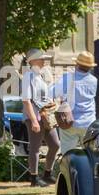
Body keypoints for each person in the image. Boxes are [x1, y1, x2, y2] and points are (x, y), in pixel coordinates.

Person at [21, 49, 58, 187]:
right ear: (33, 60)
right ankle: (34, 178)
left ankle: (47, 174)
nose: (44, 61)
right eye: (41, 58)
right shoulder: (28, 77)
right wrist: (34, 121)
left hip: (45, 116)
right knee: (35, 148)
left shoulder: (41, 76)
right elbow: (26, 101)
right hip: (34, 117)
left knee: (55, 145)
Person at [54, 51, 99, 155]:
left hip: (70, 121)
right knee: (90, 154)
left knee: (67, 155)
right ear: (90, 67)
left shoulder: (67, 78)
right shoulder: (94, 80)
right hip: (88, 122)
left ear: (77, 64)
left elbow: (54, 93)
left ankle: (68, 170)